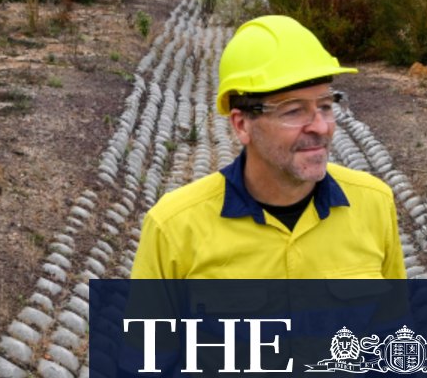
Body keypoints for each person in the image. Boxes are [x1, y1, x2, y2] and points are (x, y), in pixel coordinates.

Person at [130, 14, 405, 280]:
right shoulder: (174, 227)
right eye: (294, 111)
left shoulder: (374, 204)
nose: (320, 126)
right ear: (242, 124)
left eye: (325, 106)